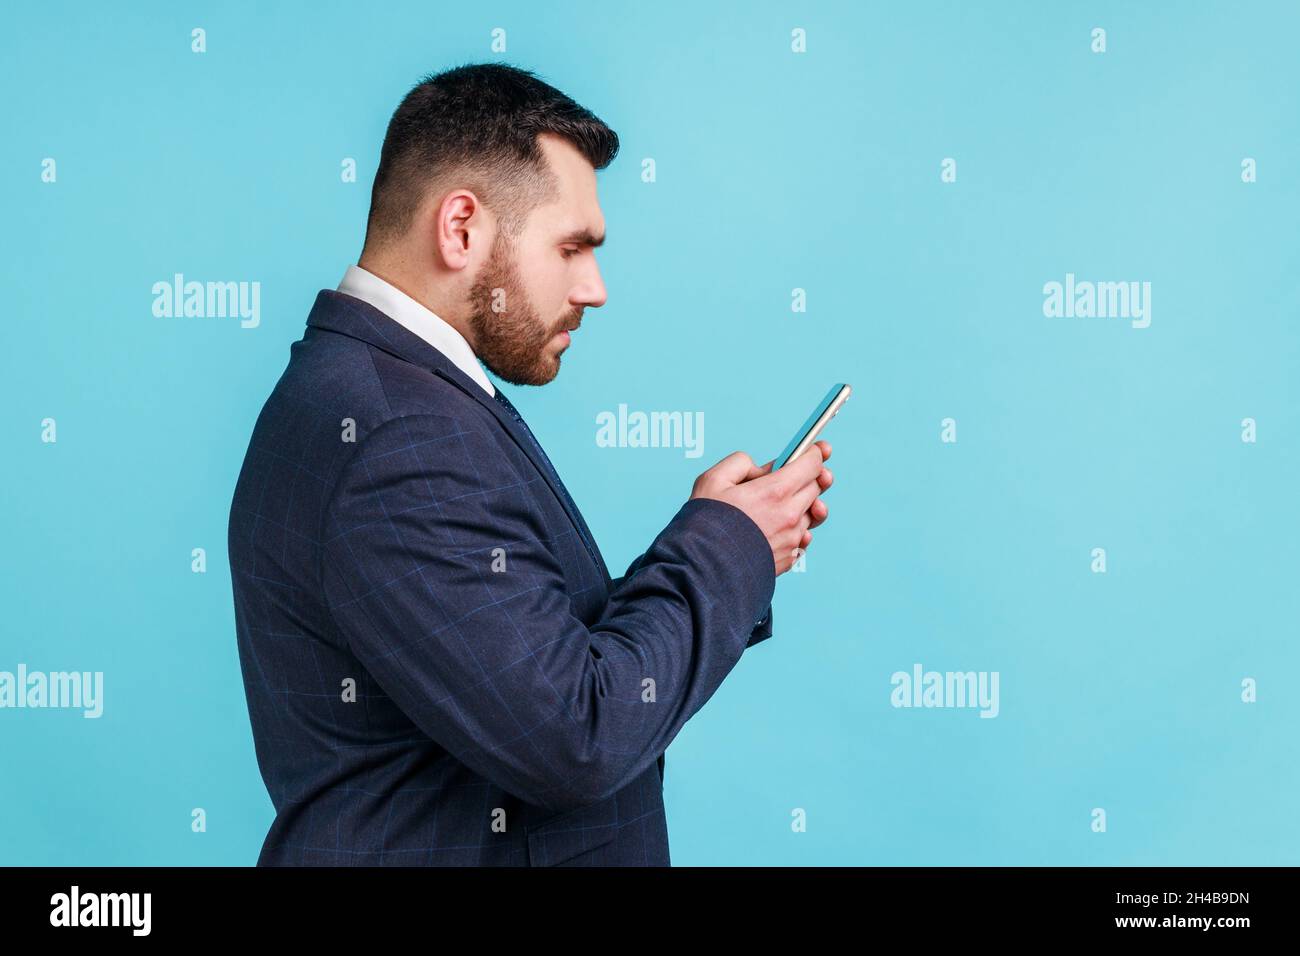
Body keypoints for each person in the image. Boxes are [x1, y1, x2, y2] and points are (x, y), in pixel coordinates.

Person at [227, 62, 833, 866]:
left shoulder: (381, 391)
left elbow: (518, 655)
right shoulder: (397, 435)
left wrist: (727, 536)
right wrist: (730, 550)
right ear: (463, 229)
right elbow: (574, 735)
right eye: (573, 247)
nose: (596, 288)